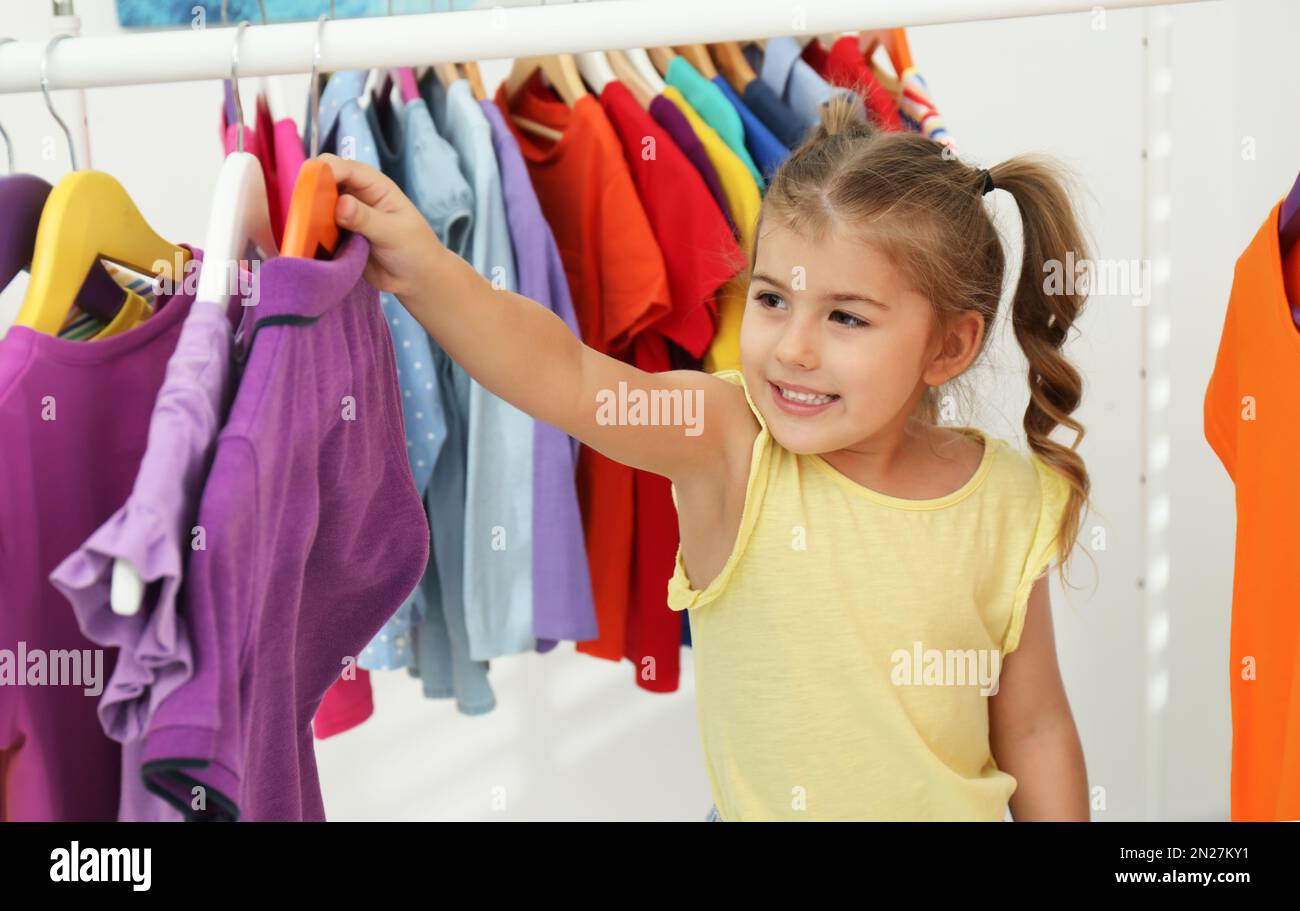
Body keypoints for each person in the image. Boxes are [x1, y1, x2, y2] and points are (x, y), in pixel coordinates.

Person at [318, 90, 1093, 822]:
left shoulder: (1010, 497)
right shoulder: (731, 441)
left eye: (846, 317)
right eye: (771, 299)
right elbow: (567, 375)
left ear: (950, 345)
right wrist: (427, 269)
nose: (792, 347)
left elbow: (1033, 728)